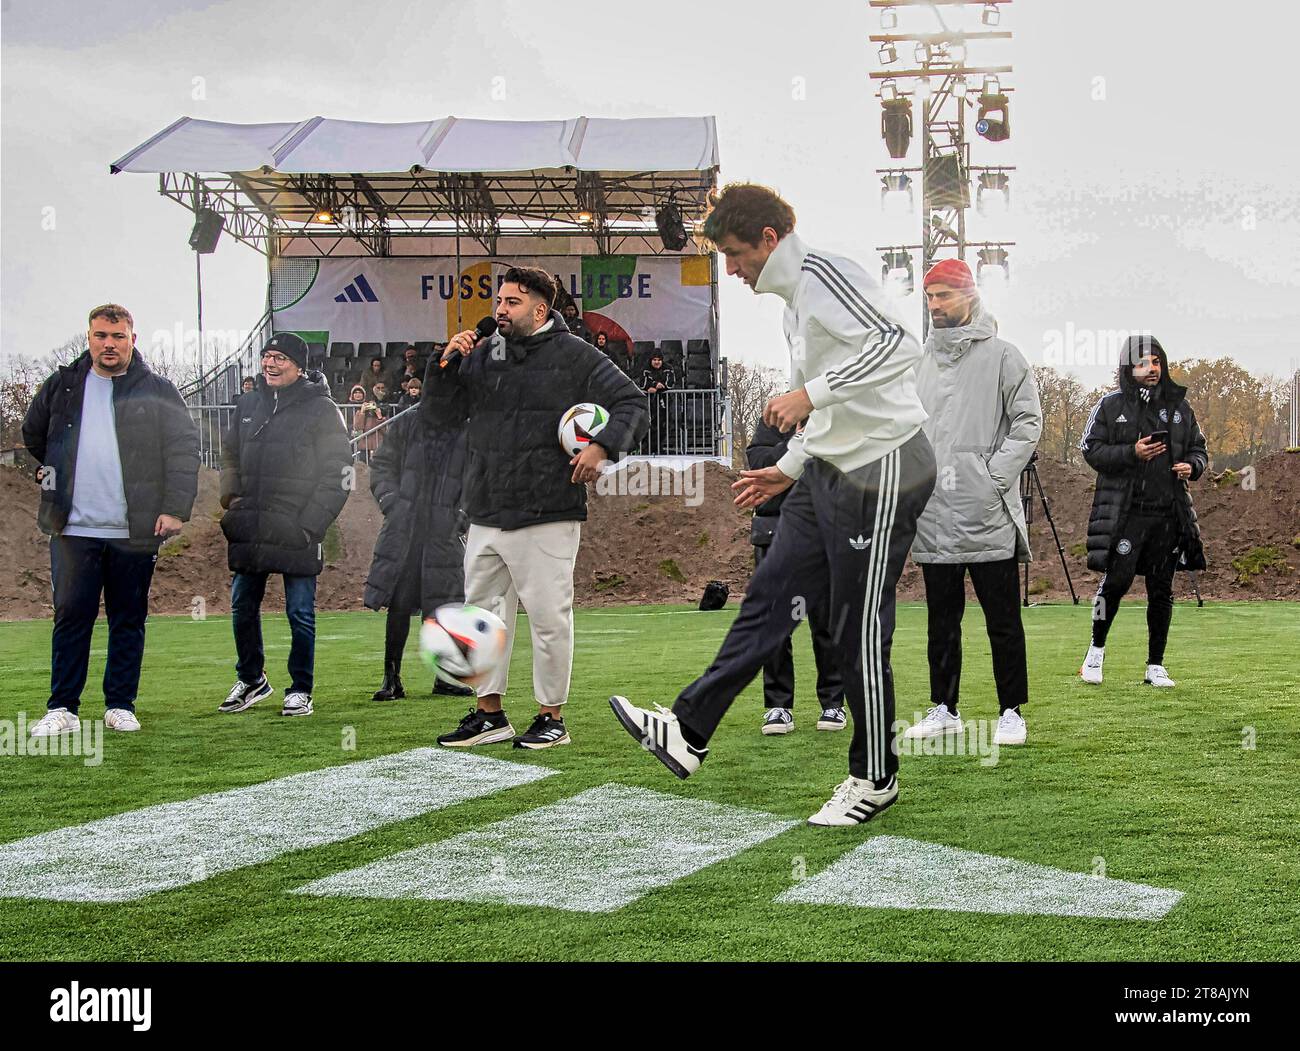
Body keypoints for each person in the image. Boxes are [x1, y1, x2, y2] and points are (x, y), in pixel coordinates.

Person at [608, 183, 936, 827]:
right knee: (769, 596)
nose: (730, 270)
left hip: (884, 464)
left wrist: (812, 392)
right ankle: (688, 729)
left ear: (768, 239)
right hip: (830, 472)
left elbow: (901, 344)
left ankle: (875, 776)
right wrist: (787, 469)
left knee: (856, 626)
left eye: (735, 254)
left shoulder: (824, 275)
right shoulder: (792, 301)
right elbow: (825, 413)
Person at [425, 265, 648, 750]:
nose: (500, 311)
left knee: (548, 620)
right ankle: (490, 715)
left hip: (548, 510)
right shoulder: (483, 355)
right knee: (480, 617)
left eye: (512, 302)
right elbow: (439, 418)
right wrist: (440, 369)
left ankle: (551, 717)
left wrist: (603, 447)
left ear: (541, 309)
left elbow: (633, 402)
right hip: (485, 509)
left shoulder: (575, 354)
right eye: (499, 302)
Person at [22, 303, 199, 737]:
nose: (109, 344)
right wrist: (58, 476)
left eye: (118, 336)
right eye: (101, 335)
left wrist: (174, 508)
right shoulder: (62, 386)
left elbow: (183, 450)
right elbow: (33, 434)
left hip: (134, 530)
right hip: (73, 528)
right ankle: (61, 707)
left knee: (128, 618)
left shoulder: (157, 390)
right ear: (89, 338)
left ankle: (120, 704)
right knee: (71, 615)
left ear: (132, 340)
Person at [906, 259, 1042, 748]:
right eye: (929, 297)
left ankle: (1012, 712)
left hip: (987, 513)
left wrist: (992, 477)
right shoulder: (918, 362)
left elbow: (1028, 423)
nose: (935, 305)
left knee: (1002, 619)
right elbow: (906, 428)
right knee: (941, 620)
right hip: (934, 513)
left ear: (970, 296)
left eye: (943, 295)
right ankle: (945, 708)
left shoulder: (1005, 356)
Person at [217, 332, 352, 718]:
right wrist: (232, 500)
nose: (271, 364)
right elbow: (229, 455)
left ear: (299, 366)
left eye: (280, 358)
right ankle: (251, 679)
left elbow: (339, 471)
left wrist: (311, 525)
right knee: (242, 605)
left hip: (297, 529)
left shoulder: (322, 409)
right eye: (267, 356)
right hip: (251, 525)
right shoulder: (248, 404)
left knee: (299, 612)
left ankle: (301, 688)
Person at [1078, 335, 1207, 687]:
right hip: (1127, 514)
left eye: (1156, 362)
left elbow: (1199, 448)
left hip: (1168, 514)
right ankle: (1095, 651)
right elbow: (1091, 450)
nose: (1151, 369)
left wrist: (1192, 466)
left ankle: (1155, 665)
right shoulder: (1109, 406)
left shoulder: (1180, 408)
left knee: (1161, 589)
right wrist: (1131, 452)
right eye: (1141, 363)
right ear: (1127, 368)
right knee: (1115, 583)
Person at [364, 390, 473, 702]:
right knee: (399, 603)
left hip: (444, 529)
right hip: (406, 528)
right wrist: (391, 502)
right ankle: (391, 677)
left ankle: (446, 677)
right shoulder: (408, 423)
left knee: (446, 605)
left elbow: (477, 477)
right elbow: (382, 465)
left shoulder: (467, 430)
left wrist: (463, 516)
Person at [745, 418, 846, 735]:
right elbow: (758, 462)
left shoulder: (833, 417)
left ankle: (833, 704)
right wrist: (798, 441)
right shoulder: (774, 420)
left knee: (827, 623)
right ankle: (778, 707)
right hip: (773, 533)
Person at [640, 350, 676, 454]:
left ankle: (659, 448)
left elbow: (670, 383)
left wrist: (658, 386)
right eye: (654, 360)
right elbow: (642, 383)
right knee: (649, 426)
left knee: (663, 426)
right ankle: (647, 449)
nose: (657, 362)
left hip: (665, 403)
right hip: (649, 403)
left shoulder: (668, 368)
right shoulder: (645, 369)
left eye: (659, 360)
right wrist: (652, 385)